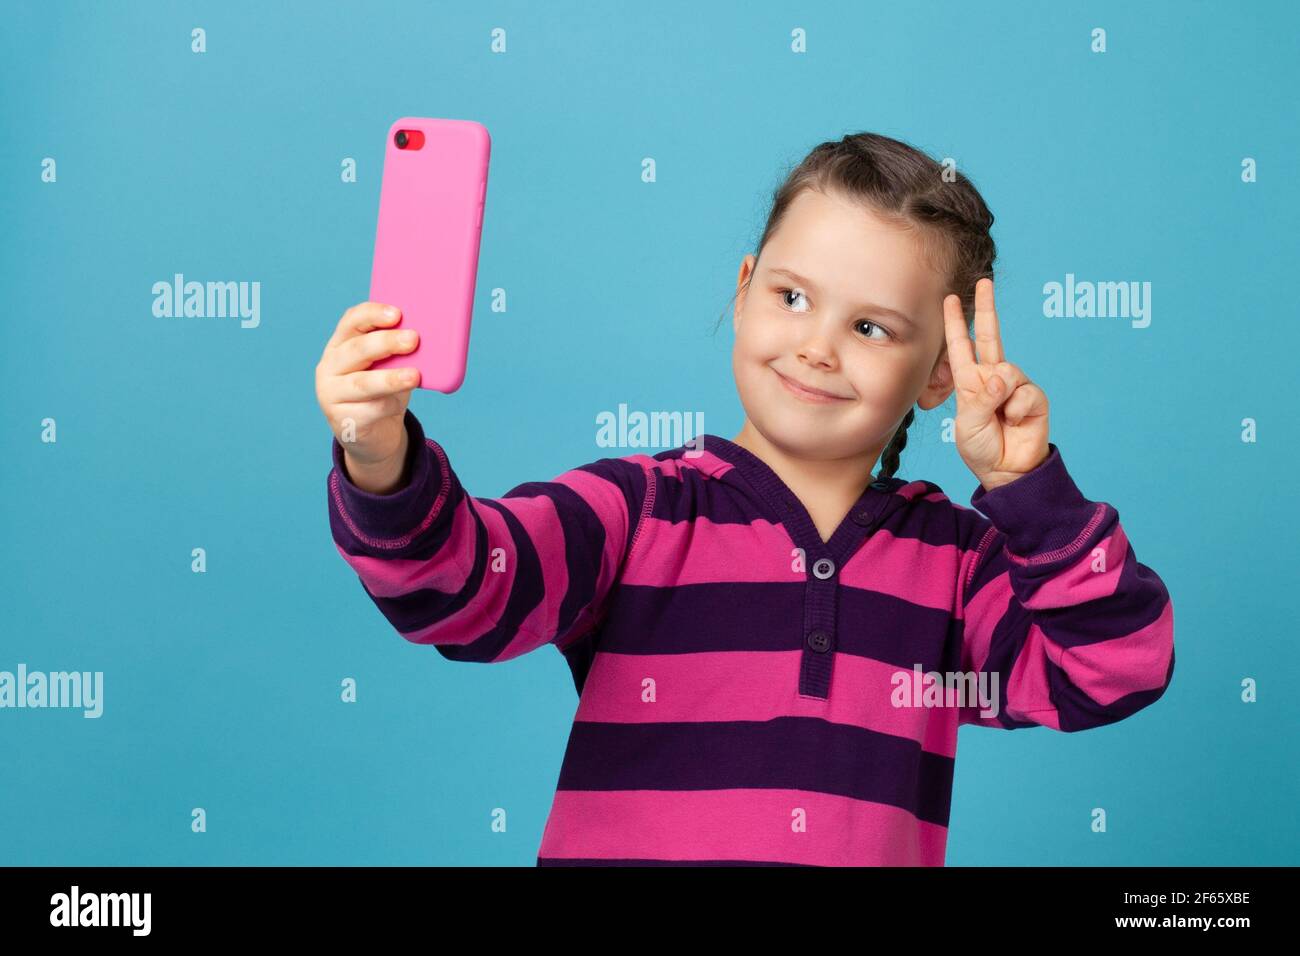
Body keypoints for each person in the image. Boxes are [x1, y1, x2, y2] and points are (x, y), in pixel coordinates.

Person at [315, 131, 1175, 866]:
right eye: (792, 297)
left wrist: (1030, 494)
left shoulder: (958, 569)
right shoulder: (637, 511)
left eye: (870, 327)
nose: (816, 347)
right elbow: (464, 594)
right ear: (743, 287)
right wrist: (380, 455)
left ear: (940, 374)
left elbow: (1114, 671)